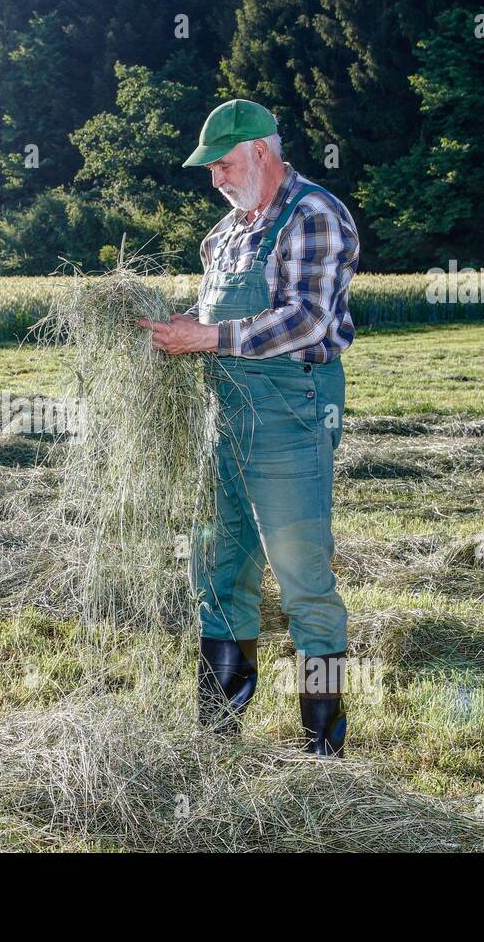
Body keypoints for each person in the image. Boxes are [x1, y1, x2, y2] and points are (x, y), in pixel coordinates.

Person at [140, 99, 359, 756]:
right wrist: (167, 327)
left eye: (224, 163)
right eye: (210, 168)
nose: (216, 178)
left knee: (304, 582)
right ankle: (217, 730)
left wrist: (205, 335)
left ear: (262, 151)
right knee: (219, 570)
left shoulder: (313, 215)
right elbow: (211, 312)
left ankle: (324, 745)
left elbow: (305, 320)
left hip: (289, 413)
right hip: (223, 417)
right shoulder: (226, 233)